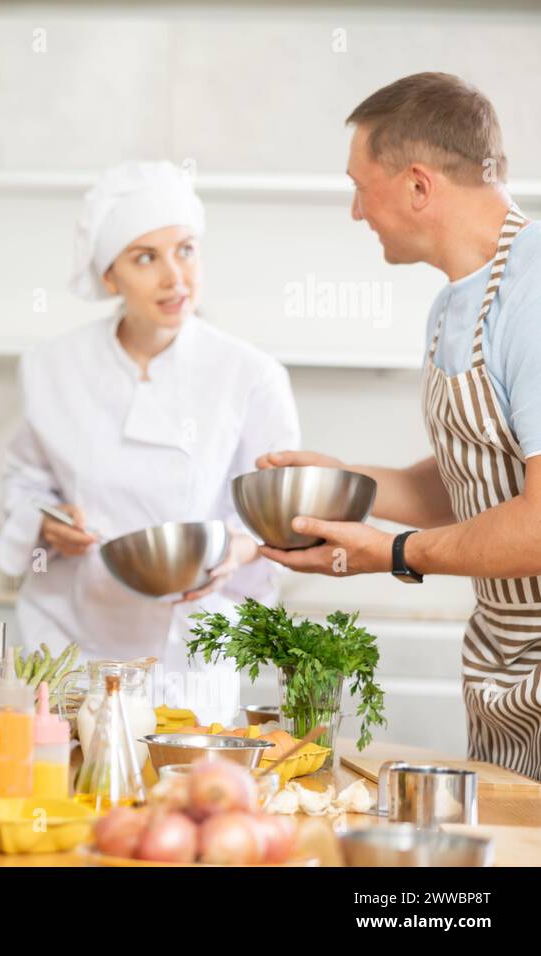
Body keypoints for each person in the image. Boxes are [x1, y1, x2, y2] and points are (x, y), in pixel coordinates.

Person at [258, 73, 541, 779]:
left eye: (362, 185)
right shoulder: (453, 305)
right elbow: (473, 481)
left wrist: (393, 552)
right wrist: (344, 486)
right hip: (504, 668)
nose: (357, 211)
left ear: (418, 186)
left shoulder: (534, 292)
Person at [0, 161, 301, 725]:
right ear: (108, 276)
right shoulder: (51, 367)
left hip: (191, 645)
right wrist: (47, 521)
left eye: (185, 249)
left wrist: (236, 550)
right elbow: (26, 481)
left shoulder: (248, 374)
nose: (174, 277)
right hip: (69, 636)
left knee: (179, 792)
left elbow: (277, 512)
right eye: (145, 258)